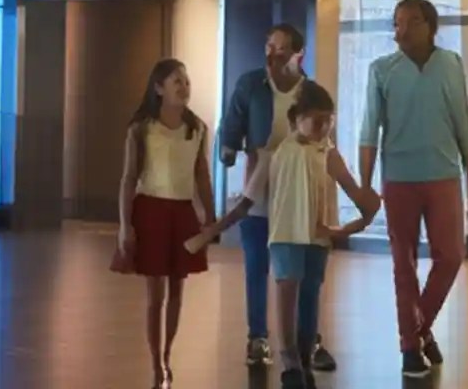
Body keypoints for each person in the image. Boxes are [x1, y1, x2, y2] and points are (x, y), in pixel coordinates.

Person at [198, 81, 379, 389]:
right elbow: (246, 202)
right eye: (316, 119)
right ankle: (290, 360)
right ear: (297, 118)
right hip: (285, 236)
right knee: (287, 294)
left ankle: (305, 357)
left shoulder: (329, 154)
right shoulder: (275, 155)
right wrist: (212, 230)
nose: (323, 127)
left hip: (316, 241)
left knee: (310, 297)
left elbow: (359, 198)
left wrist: (347, 225)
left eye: (329, 120)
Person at [359, 0, 468, 378]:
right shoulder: (382, 70)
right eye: (396, 23)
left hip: (444, 175)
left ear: (430, 26)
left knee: (451, 255)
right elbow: (369, 130)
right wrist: (364, 188)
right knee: (404, 266)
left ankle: (418, 329)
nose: (401, 30)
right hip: (398, 178)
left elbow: (463, 122)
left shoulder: (450, 64)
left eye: (410, 22)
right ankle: (409, 347)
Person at [219, 24, 338, 370]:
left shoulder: (312, 93)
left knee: (307, 273)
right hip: (261, 188)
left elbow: (325, 144)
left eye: (283, 48)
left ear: (299, 55)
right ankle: (258, 337)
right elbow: (232, 124)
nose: (273, 53)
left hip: (301, 195)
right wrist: (227, 150)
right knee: (258, 266)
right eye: (269, 46)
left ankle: (307, 340)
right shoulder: (250, 85)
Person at [116, 59, 216, 389]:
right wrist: (124, 225)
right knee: (154, 294)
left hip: (183, 213)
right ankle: (155, 360)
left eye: (186, 82)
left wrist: (210, 218)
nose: (184, 87)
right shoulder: (142, 128)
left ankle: (168, 354)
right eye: (177, 81)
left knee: (177, 289)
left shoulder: (197, 128)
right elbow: (129, 178)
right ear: (159, 88)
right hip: (151, 211)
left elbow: (202, 175)